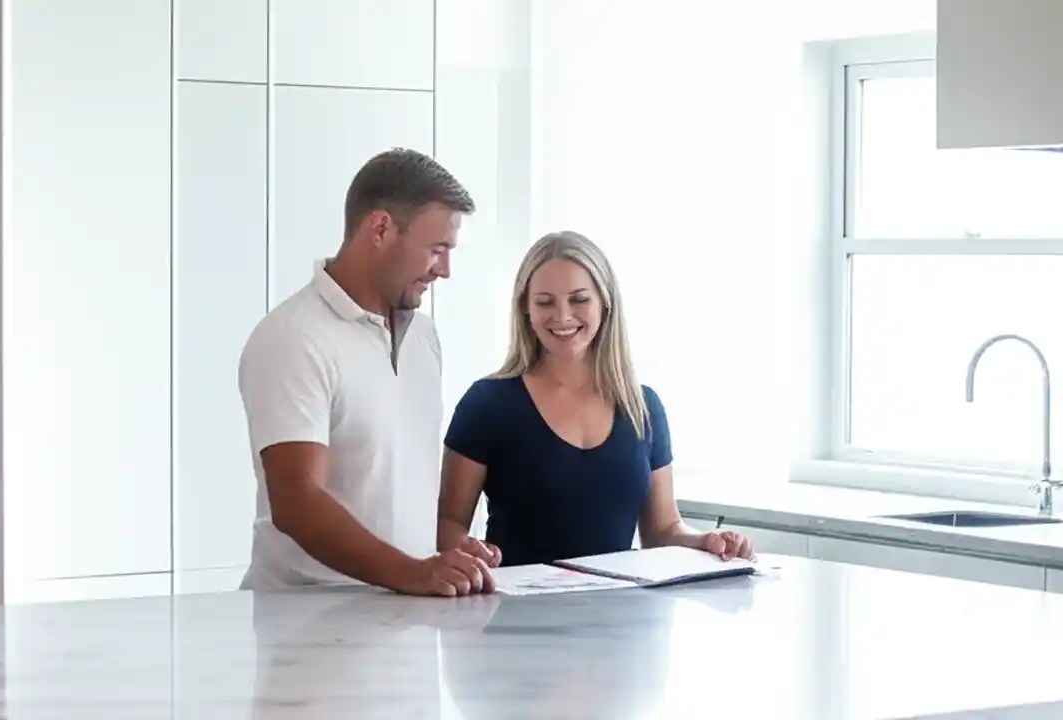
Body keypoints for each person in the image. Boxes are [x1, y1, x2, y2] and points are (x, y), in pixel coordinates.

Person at [237, 147, 498, 597]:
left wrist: (448, 550)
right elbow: (296, 502)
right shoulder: (293, 338)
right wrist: (414, 574)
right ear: (380, 228)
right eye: (437, 250)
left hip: (401, 618)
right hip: (305, 626)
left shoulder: (424, 338)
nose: (446, 271)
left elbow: (389, 482)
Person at [437, 231, 754, 566]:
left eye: (579, 299)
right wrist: (468, 549)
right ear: (525, 310)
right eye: (545, 302)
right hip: (518, 611)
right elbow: (448, 525)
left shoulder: (643, 407)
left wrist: (705, 540)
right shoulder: (487, 404)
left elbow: (662, 530)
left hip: (621, 612)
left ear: (605, 303)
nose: (562, 316)